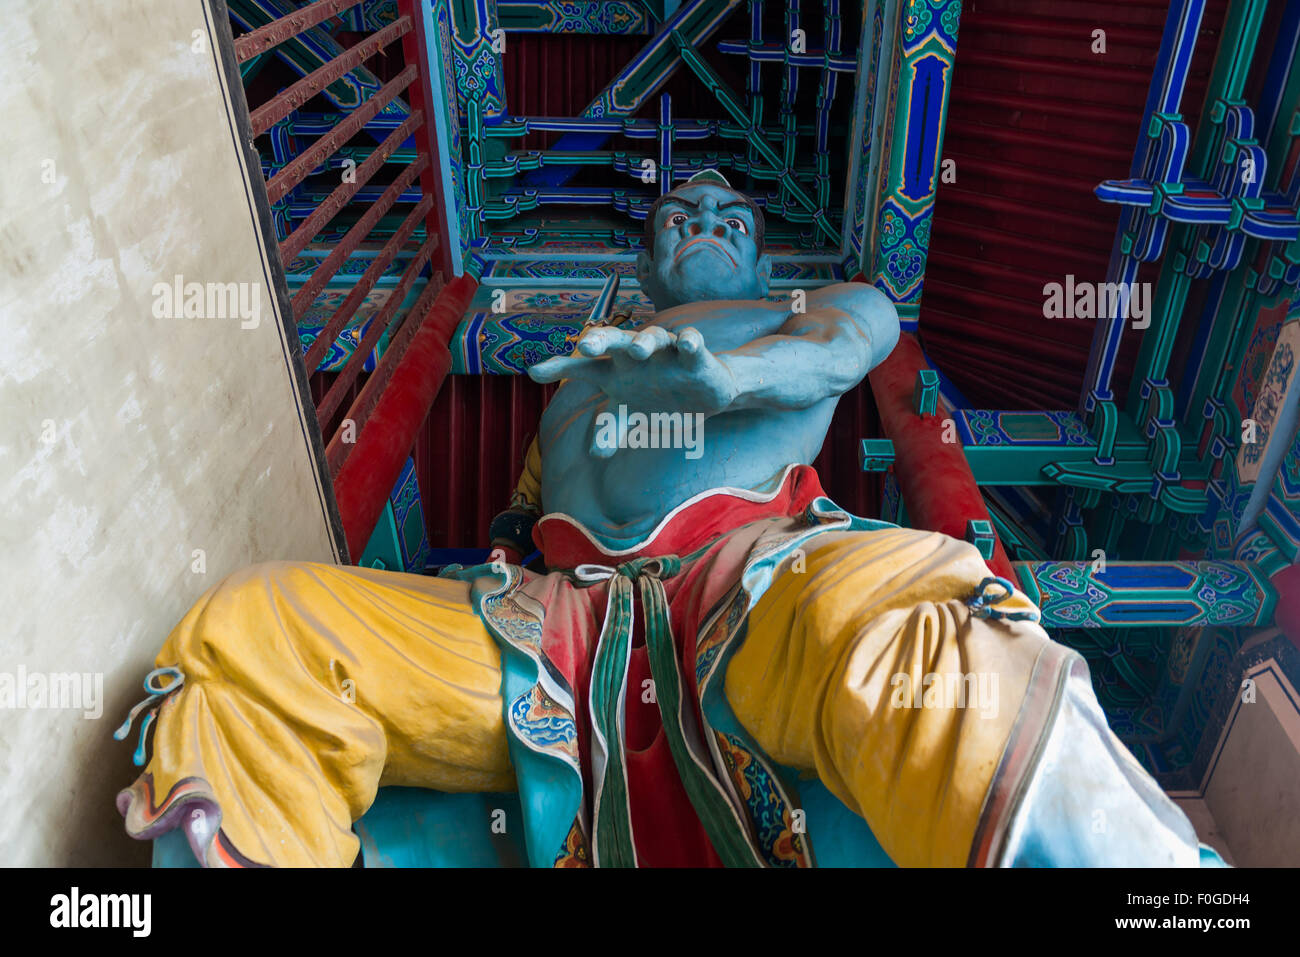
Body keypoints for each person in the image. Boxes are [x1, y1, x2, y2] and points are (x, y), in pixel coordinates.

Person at [116, 171, 1224, 867]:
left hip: (765, 580)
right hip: (547, 622)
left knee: (927, 640)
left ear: (760, 250)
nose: (703, 223)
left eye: (728, 216)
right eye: (678, 216)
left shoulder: (807, 307)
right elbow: (523, 516)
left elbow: (851, 347)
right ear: (643, 259)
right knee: (263, 627)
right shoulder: (579, 376)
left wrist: (731, 382)